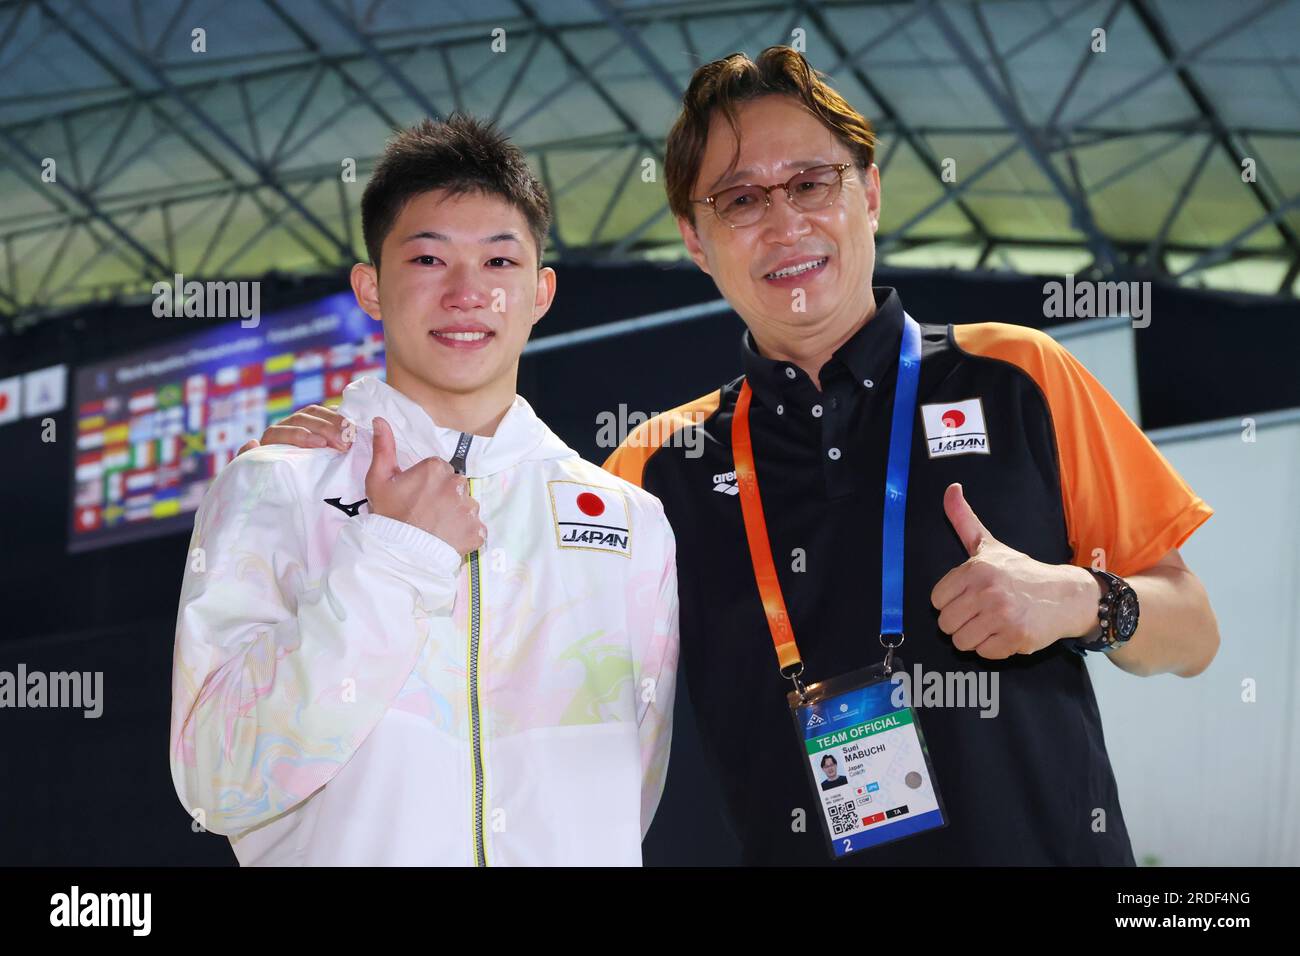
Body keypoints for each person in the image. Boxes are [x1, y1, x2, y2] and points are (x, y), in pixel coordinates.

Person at [255, 48, 1220, 866]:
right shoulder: (652, 471)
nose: (785, 222)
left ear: (870, 195)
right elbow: (484, 605)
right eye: (740, 199)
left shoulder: (1017, 373)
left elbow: (1196, 630)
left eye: (812, 183)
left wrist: (1085, 602)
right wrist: (338, 452)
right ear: (695, 239)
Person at [169, 115, 679, 866]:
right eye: (430, 259)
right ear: (371, 289)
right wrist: (392, 560)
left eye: (500, 262)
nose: (469, 293)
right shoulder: (276, 485)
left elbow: (623, 792)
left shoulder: (632, 523)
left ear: (541, 292)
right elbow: (217, 780)